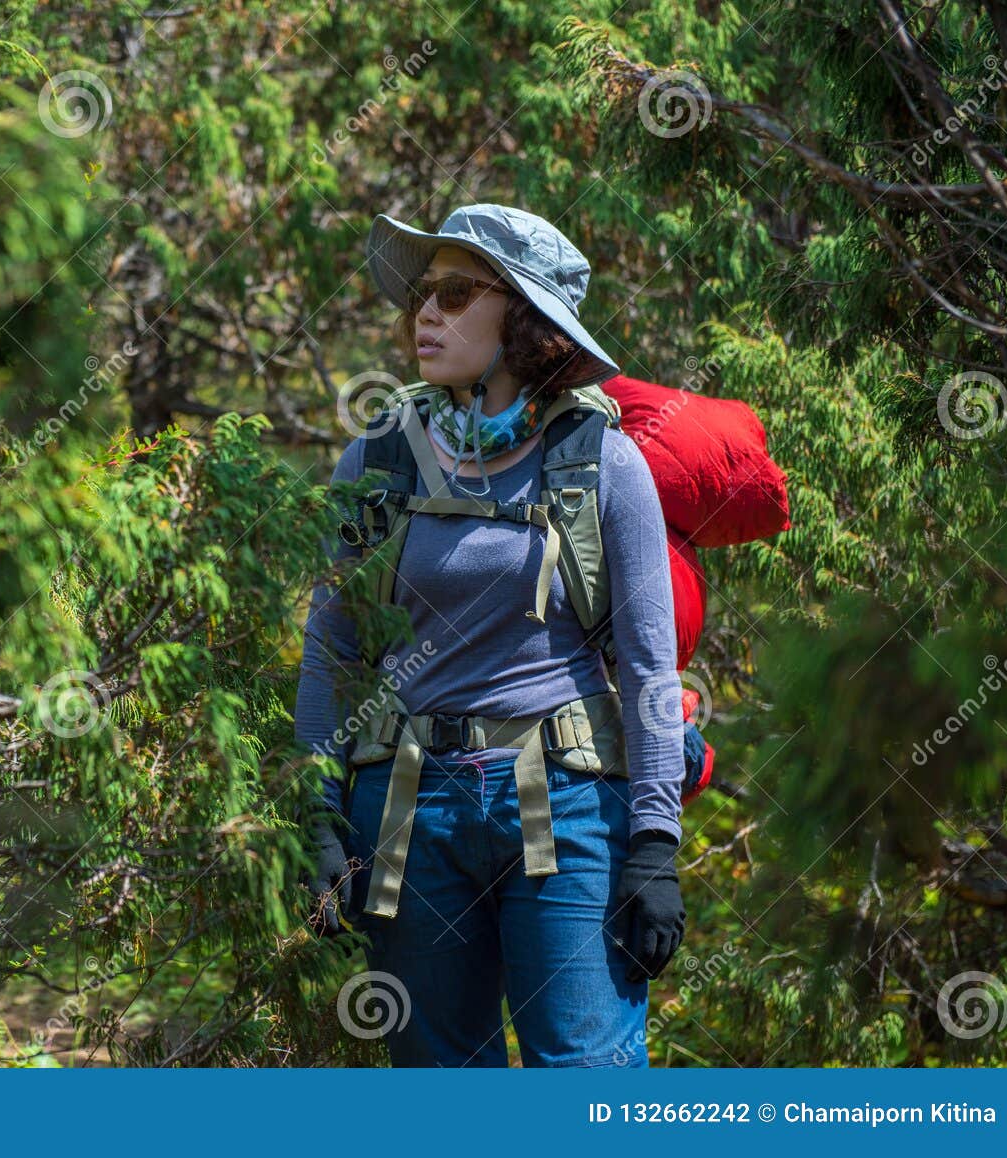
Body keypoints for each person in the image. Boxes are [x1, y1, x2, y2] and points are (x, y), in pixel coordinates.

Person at [294, 203, 686, 1067]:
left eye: (456, 292)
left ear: (525, 317)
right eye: (422, 294)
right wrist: (316, 814)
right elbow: (333, 648)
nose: (425, 313)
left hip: (567, 805)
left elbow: (652, 667)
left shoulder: (600, 463)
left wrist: (655, 846)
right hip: (404, 812)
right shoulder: (379, 457)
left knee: (585, 1083)